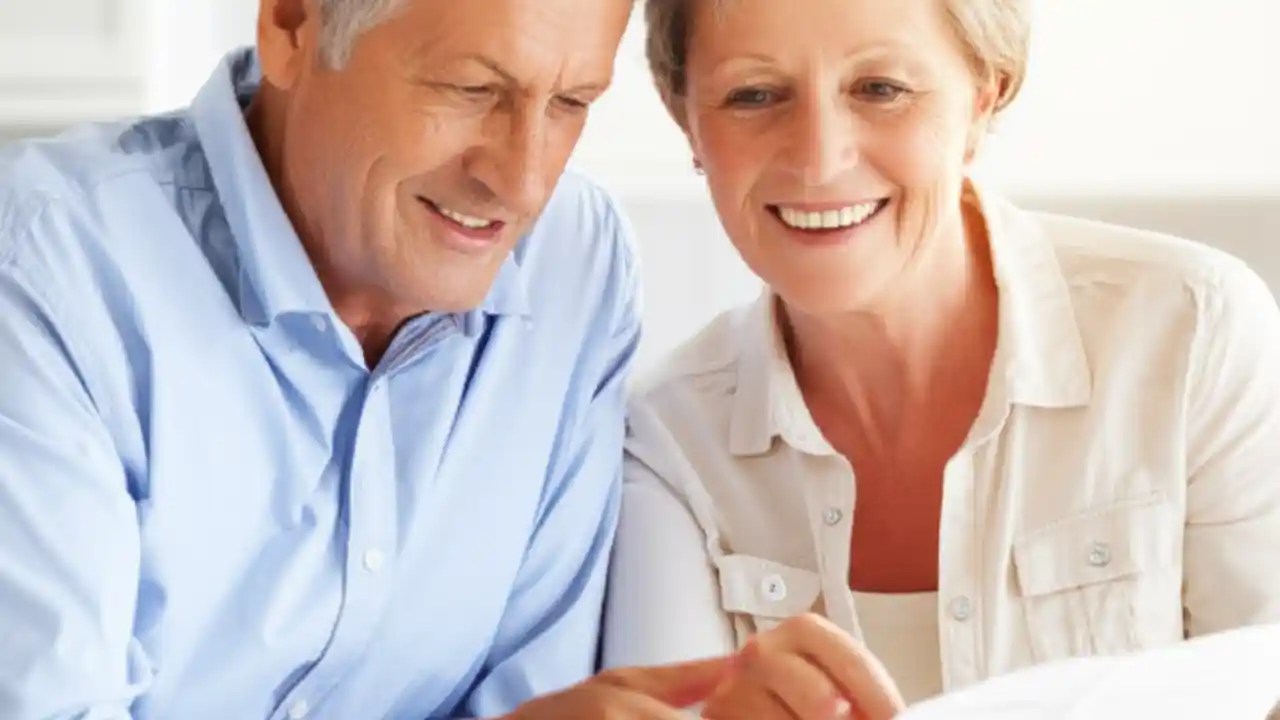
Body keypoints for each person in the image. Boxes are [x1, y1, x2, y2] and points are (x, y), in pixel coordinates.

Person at [0, 0, 828, 717]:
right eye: (471, 90)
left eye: (572, 102)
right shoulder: (48, 271)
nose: (523, 182)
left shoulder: (574, 267)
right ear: (293, 23)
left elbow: (535, 695)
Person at [603, 0, 1280, 716]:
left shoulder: (1191, 331)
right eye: (755, 95)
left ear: (986, 94)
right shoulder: (668, 442)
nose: (818, 158)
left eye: (881, 89)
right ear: (688, 123)